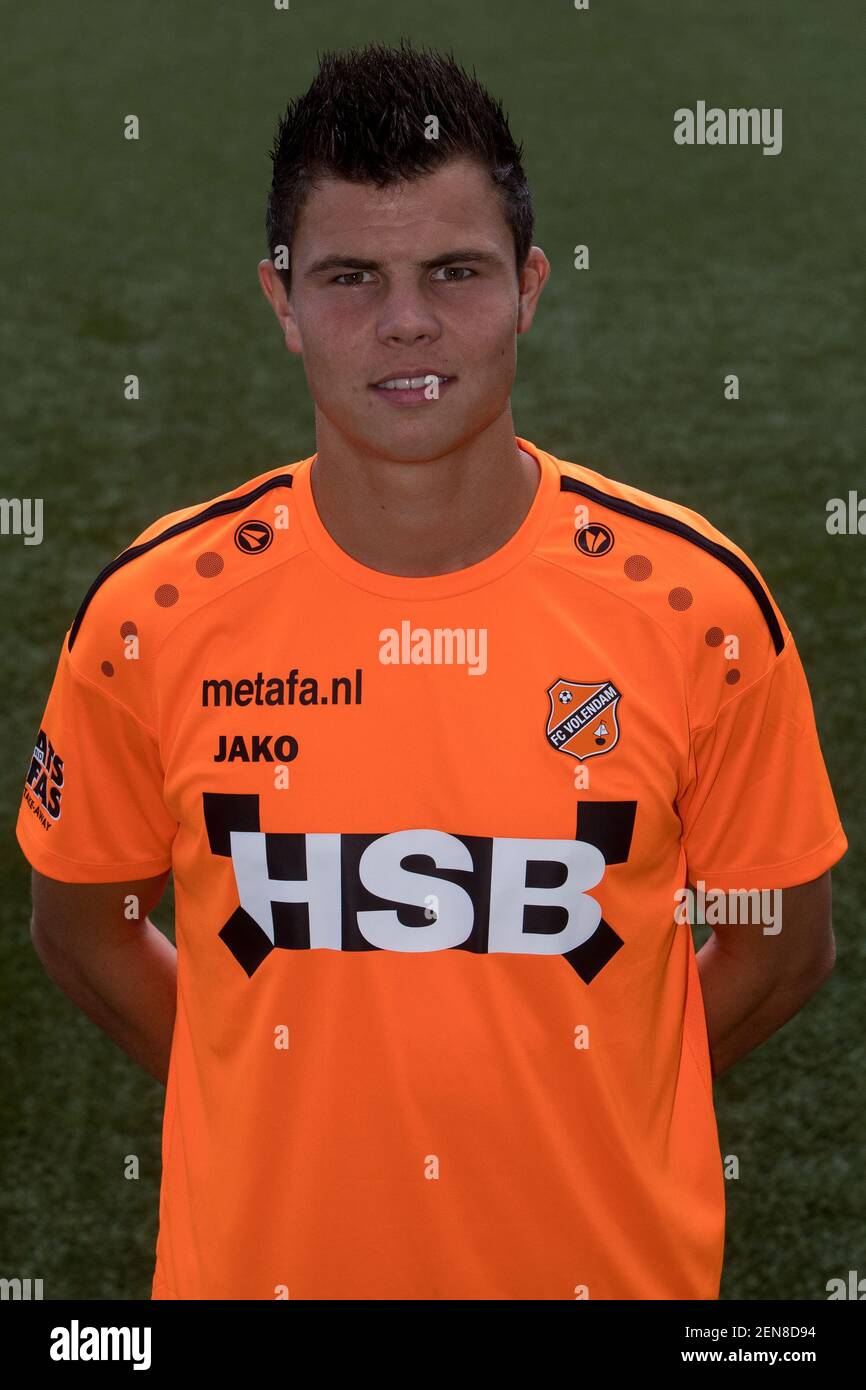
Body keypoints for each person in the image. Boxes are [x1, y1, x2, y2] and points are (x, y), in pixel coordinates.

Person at [16, 39, 847, 1301]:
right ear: (280, 300)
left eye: (452, 271)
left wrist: (590, 1080)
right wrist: (275, 1083)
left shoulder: (695, 606)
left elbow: (778, 947)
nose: (406, 320)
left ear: (526, 287)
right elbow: (84, 927)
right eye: (351, 276)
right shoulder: (157, 610)